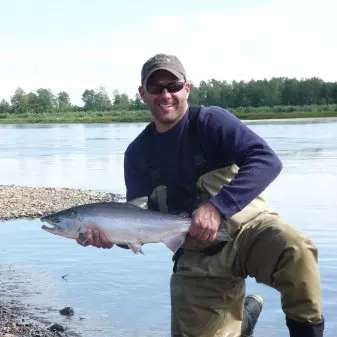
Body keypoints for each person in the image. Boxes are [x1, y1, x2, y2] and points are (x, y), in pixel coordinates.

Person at [77, 53, 325, 337]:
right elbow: (136, 223)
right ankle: (242, 323)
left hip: (249, 231)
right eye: (156, 88)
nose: (166, 95)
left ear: (187, 89)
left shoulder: (212, 121)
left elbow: (267, 161)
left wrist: (218, 208)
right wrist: (109, 237)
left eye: (174, 86)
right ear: (143, 94)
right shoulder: (137, 154)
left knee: (296, 250)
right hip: (197, 256)